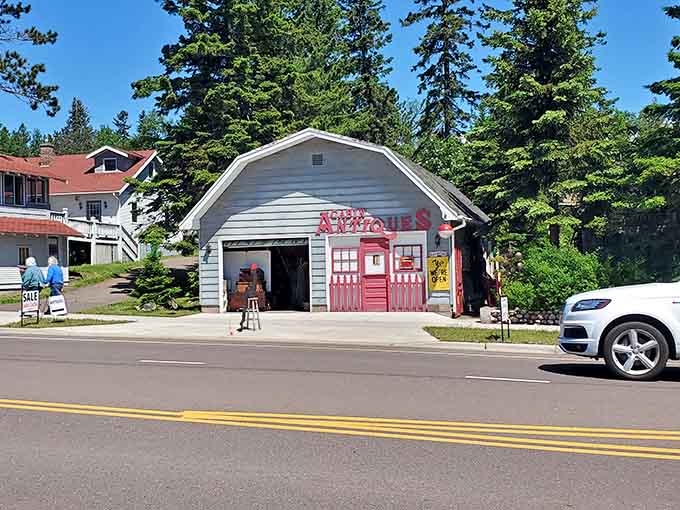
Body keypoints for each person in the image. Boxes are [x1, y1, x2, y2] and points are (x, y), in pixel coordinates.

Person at [239, 263, 259, 331]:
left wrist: (248, 287)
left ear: (253, 269)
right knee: (246, 292)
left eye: (251, 269)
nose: (251, 271)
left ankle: (243, 318)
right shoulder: (255, 275)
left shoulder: (253, 275)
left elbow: (251, 284)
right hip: (252, 293)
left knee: (245, 298)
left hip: (251, 294)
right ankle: (243, 317)